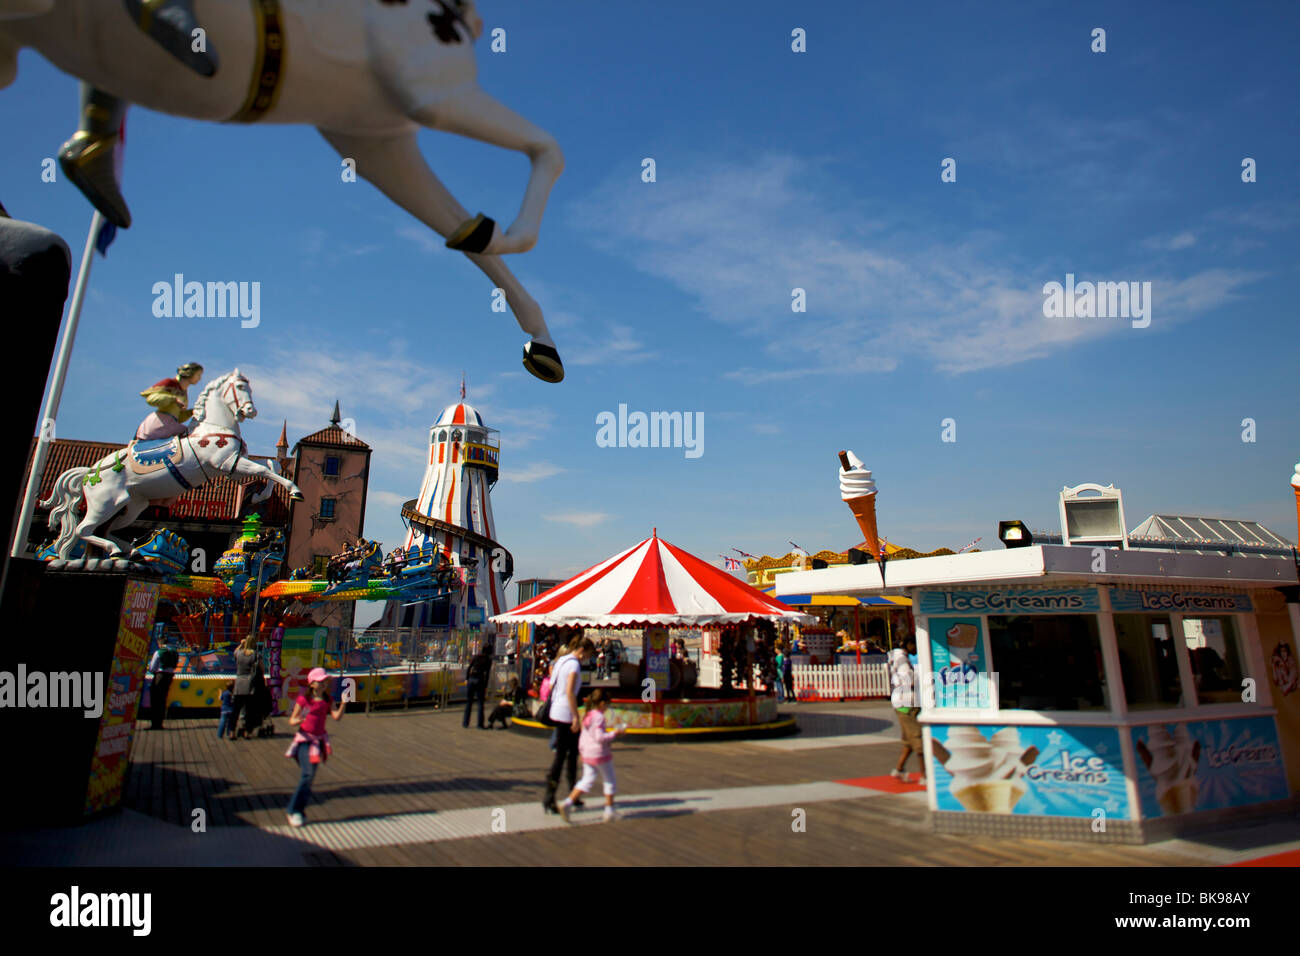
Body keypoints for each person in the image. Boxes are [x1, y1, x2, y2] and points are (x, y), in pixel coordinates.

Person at [285, 667, 345, 828]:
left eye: (325, 681)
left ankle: (299, 810)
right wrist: (299, 721)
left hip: (318, 742)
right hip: (304, 740)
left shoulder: (328, 699)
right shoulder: (304, 700)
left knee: (309, 777)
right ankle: (293, 810)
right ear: (312, 684)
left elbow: (336, 717)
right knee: (307, 773)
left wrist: (344, 703)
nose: (324, 684)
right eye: (321, 681)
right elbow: (292, 720)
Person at [558, 689, 627, 823]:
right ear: (601, 704)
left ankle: (567, 803)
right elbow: (599, 737)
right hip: (600, 753)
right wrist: (615, 733)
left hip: (588, 753)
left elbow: (585, 736)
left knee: (587, 780)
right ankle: (609, 811)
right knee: (610, 780)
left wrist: (582, 751)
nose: (607, 707)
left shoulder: (588, 715)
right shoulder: (599, 717)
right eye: (607, 704)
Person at [543, 636, 595, 814]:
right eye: (588, 654)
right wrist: (575, 717)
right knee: (564, 757)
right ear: (582, 651)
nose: (588, 657)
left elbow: (551, 686)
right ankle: (550, 798)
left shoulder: (561, 661)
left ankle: (572, 793)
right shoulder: (573, 665)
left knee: (571, 753)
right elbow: (570, 693)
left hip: (556, 710)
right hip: (566, 713)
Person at [889, 647, 925, 785]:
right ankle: (925, 776)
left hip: (903, 702)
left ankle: (899, 769)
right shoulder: (902, 659)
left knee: (909, 739)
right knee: (918, 738)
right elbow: (907, 679)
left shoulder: (895, 658)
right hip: (907, 702)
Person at [229, 635, 259, 740]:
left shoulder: (239, 653)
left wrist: (241, 644)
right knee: (249, 710)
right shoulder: (254, 654)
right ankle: (247, 731)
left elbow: (235, 652)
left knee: (235, 710)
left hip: (239, 683)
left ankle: (232, 731)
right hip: (249, 684)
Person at [147, 642, 178, 729]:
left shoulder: (158, 652)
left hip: (160, 676)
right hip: (169, 677)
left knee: (155, 700)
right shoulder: (175, 653)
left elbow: (152, 668)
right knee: (162, 700)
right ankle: (160, 723)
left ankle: (155, 724)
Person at [464, 641, 493, 729]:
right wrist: (486, 685)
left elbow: (469, 668)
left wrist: (467, 678)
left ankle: (465, 722)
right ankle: (480, 724)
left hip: (472, 679)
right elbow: (487, 673)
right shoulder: (488, 660)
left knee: (469, 702)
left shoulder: (476, 657)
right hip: (479, 680)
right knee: (480, 703)